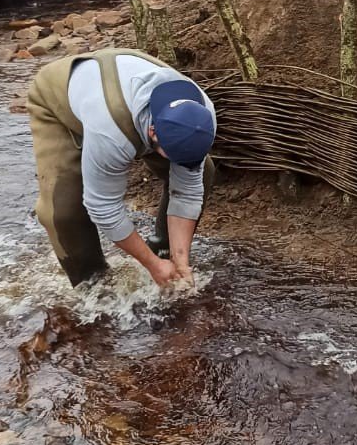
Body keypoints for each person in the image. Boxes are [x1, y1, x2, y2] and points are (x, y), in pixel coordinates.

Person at [27, 47, 216, 288]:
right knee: (65, 212)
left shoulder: (203, 116)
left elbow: (187, 193)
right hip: (59, 96)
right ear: (153, 133)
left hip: (123, 76)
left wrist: (180, 260)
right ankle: (94, 287)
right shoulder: (112, 132)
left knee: (204, 171)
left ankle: (164, 252)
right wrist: (152, 265)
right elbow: (102, 207)